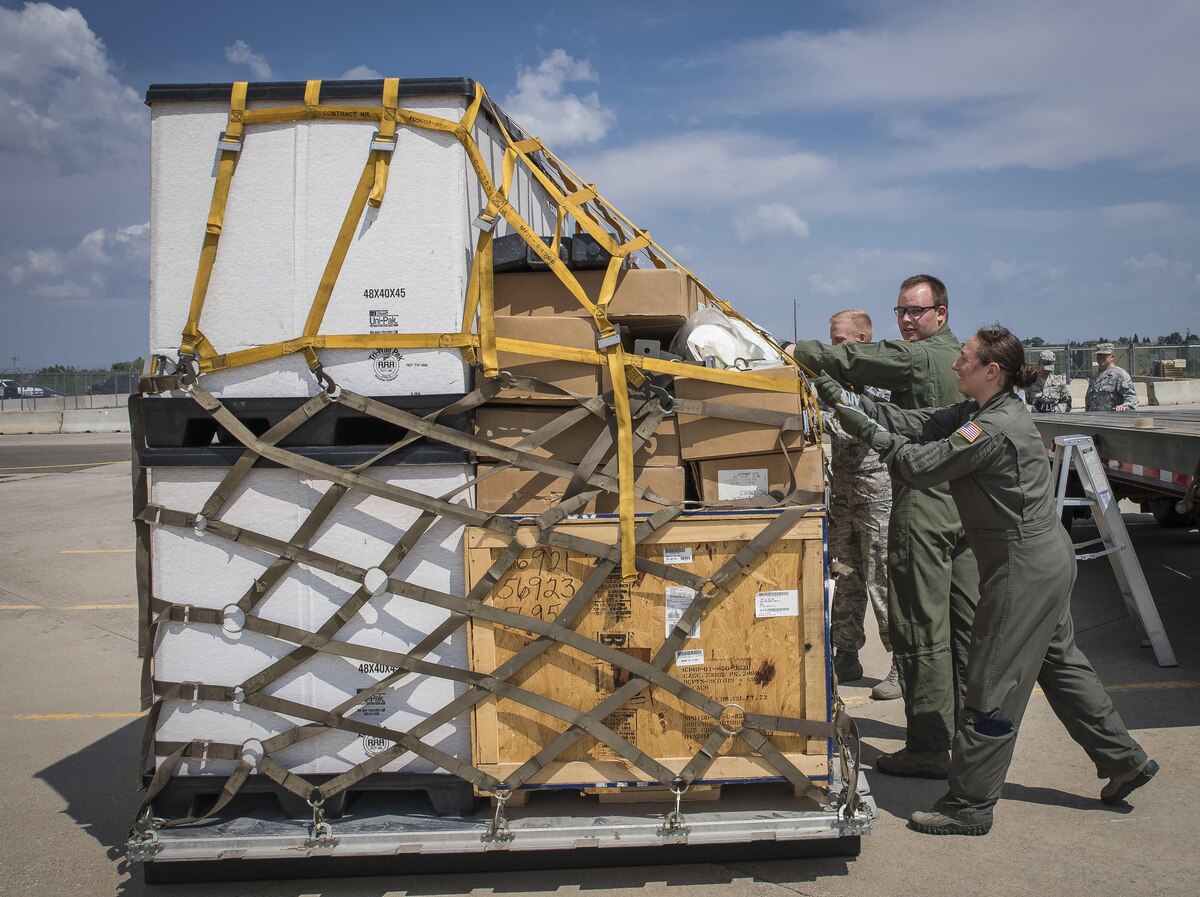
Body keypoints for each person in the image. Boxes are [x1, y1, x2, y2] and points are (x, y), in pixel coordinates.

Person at [817, 324, 1157, 836]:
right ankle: (1124, 759)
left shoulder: (989, 429)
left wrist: (853, 420)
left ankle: (970, 803)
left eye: (965, 360)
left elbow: (915, 463)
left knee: (990, 680)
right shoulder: (981, 413)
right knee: (1058, 663)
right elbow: (917, 422)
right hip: (1039, 561)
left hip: (1022, 568)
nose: (955, 364)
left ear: (990, 371)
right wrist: (851, 397)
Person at [790, 275, 979, 778]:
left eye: (917, 311)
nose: (908, 320)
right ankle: (963, 734)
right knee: (859, 578)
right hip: (930, 499)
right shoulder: (964, 383)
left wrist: (800, 355)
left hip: (907, 495)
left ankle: (929, 740)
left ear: (941, 312)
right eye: (902, 311)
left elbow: (883, 424)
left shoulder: (913, 360)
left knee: (912, 616)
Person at [823, 310, 899, 701]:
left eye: (841, 342)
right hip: (842, 494)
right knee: (845, 573)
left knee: (881, 574)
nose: (834, 348)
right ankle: (847, 650)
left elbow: (858, 422)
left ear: (863, 339)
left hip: (875, 494)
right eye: (831, 341)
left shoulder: (879, 379)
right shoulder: (834, 378)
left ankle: (901, 664)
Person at [1085, 343, 1138, 411]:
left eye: (1104, 355)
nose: (1100, 358)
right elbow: (1088, 401)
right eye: (1098, 355)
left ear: (1112, 357)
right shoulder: (1094, 377)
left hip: (1112, 418)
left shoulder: (1120, 375)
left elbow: (1131, 397)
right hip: (1093, 418)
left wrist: (1125, 406)